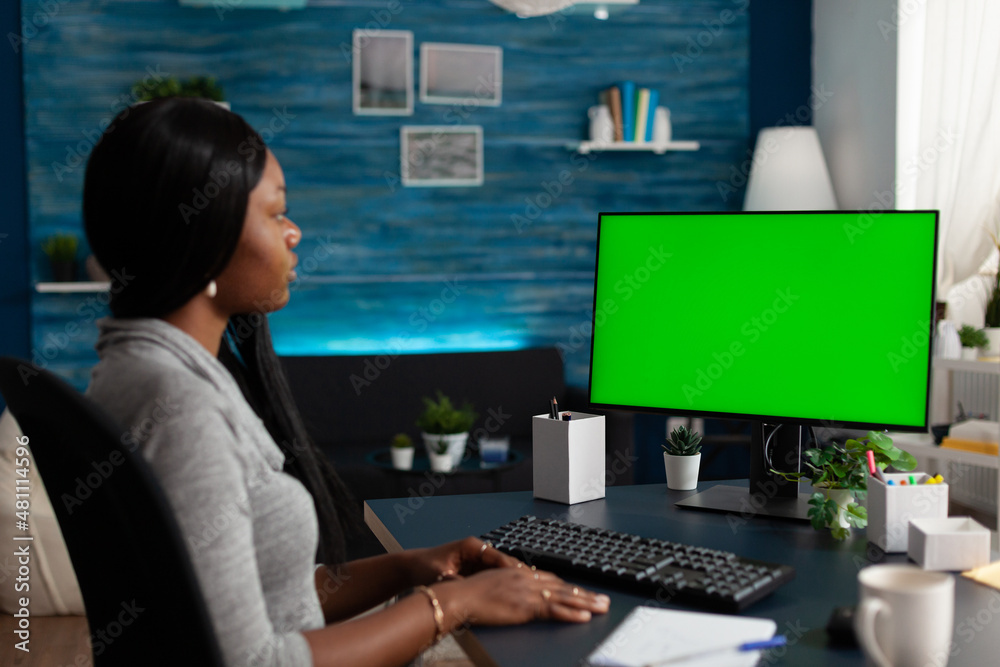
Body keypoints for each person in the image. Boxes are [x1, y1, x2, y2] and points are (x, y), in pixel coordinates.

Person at [82, 97, 609, 667]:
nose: (293, 232)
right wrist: (450, 605)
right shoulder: (183, 410)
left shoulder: (131, 371)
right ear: (203, 237)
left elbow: (269, 602)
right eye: (276, 212)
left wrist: (409, 566)